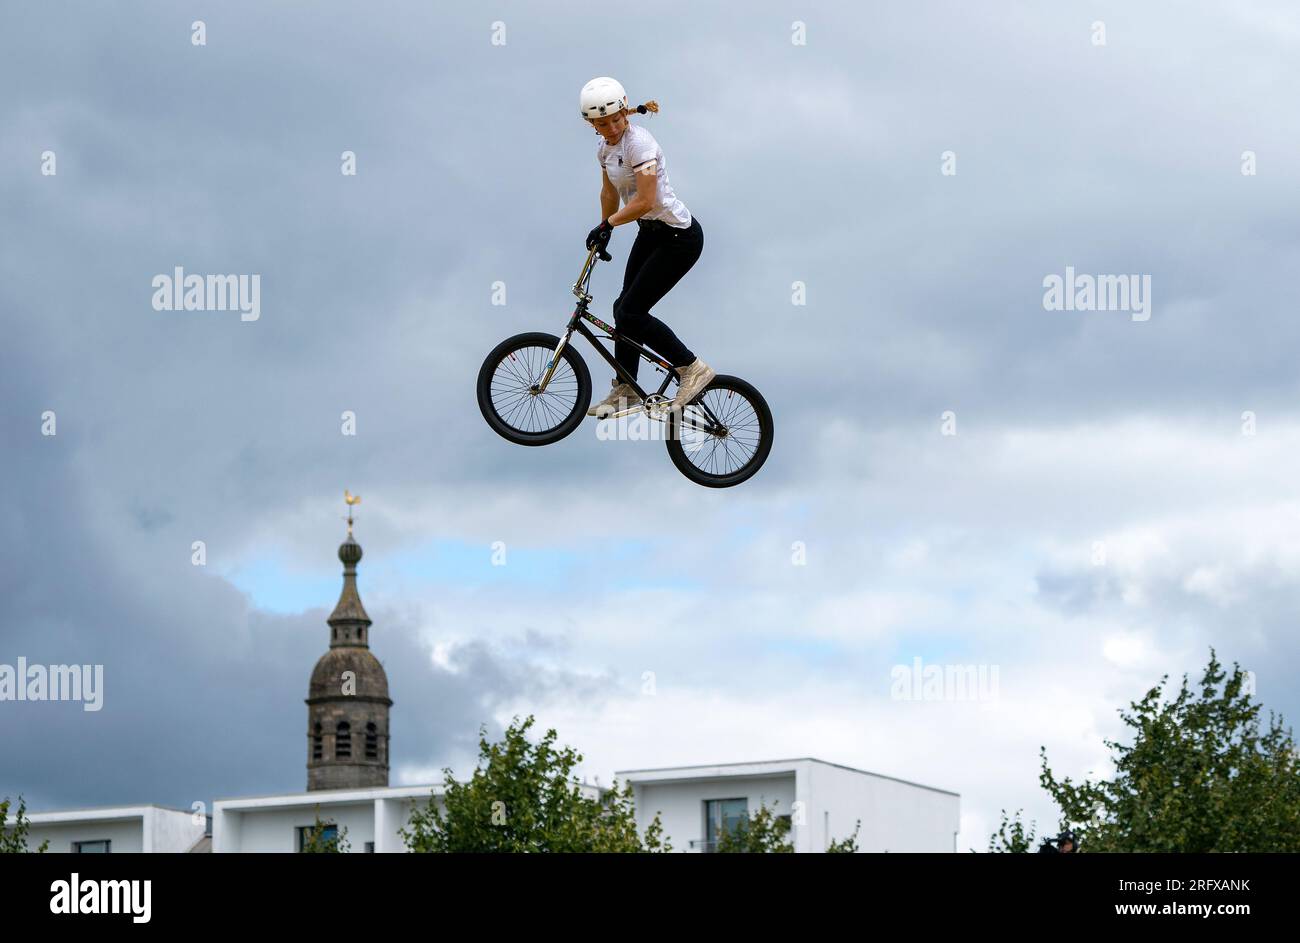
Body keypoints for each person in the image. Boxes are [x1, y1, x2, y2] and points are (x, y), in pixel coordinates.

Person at [578, 76, 715, 419]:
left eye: (615, 119)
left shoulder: (639, 143)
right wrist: (604, 227)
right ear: (591, 124)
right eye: (602, 123)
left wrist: (609, 224)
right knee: (621, 307)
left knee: (631, 312)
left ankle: (691, 367)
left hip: (678, 237)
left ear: (625, 113)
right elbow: (609, 193)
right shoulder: (605, 150)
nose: (610, 127)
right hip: (651, 233)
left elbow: (646, 199)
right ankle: (626, 388)